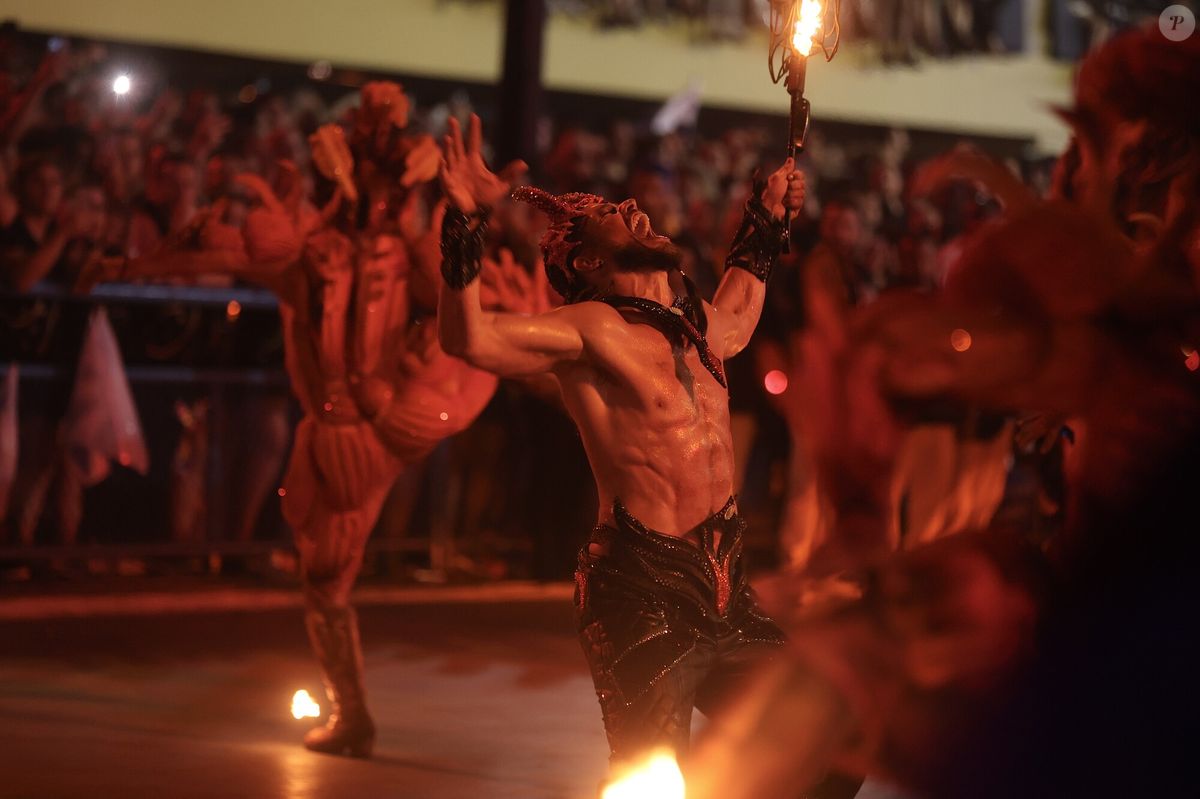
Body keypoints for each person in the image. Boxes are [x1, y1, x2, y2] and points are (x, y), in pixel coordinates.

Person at [81, 83, 530, 758]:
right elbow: (230, 255)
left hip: (364, 428)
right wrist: (132, 264)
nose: (375, 194)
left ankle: (352, 715)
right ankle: (350, 712)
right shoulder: (316, 251)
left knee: (325, 579)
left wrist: (466, 218)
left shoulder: (396, 253)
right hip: (331, 426)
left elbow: (458, 294)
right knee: (320, 578)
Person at [435, 115, 811, 773]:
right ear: (588, 260)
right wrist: (466, 219)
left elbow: (742, 307)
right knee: (651, 773)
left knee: (828, 739)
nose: (635, 206)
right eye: (612, 213)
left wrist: (767, 215)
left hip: (726, 589)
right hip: (642, 594)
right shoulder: (591, 330)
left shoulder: (699, 328)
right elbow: (470, 338)